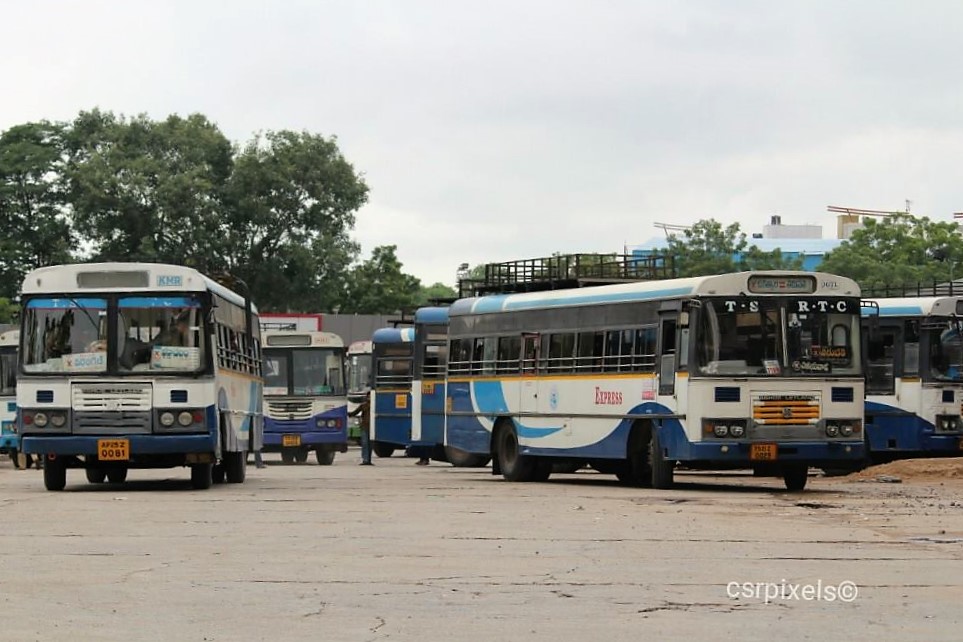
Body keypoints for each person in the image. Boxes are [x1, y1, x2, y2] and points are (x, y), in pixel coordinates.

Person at [348, 397, 372, 465]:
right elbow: (355, 412)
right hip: (364, 426)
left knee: (370, 444)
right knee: (364, 443)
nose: (369, 398)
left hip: (372, 428)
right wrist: (348, 414)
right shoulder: (363, 405)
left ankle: (368, 460)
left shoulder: (376, 405)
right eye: (368, 396)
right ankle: (365, 459)